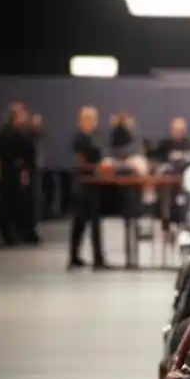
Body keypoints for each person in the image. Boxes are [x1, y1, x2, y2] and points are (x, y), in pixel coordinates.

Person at [69, 106, 108, 270]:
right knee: (83, 223)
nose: (94, 122)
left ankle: (89, 257)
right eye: (91, 119)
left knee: (89, 222)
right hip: (84, 184)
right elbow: (81, 161)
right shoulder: (80, 138)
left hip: (93, 183)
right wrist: (96, 168)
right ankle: (83, 257)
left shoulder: (95, 136)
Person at [0, 103, 38, 246]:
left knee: (24, 203)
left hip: (21, 171)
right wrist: (22, 169)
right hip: (12, 173)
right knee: (10, 204)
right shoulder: (8, 133)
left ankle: (24, 231)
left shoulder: (25, 132)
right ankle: (9, 233)